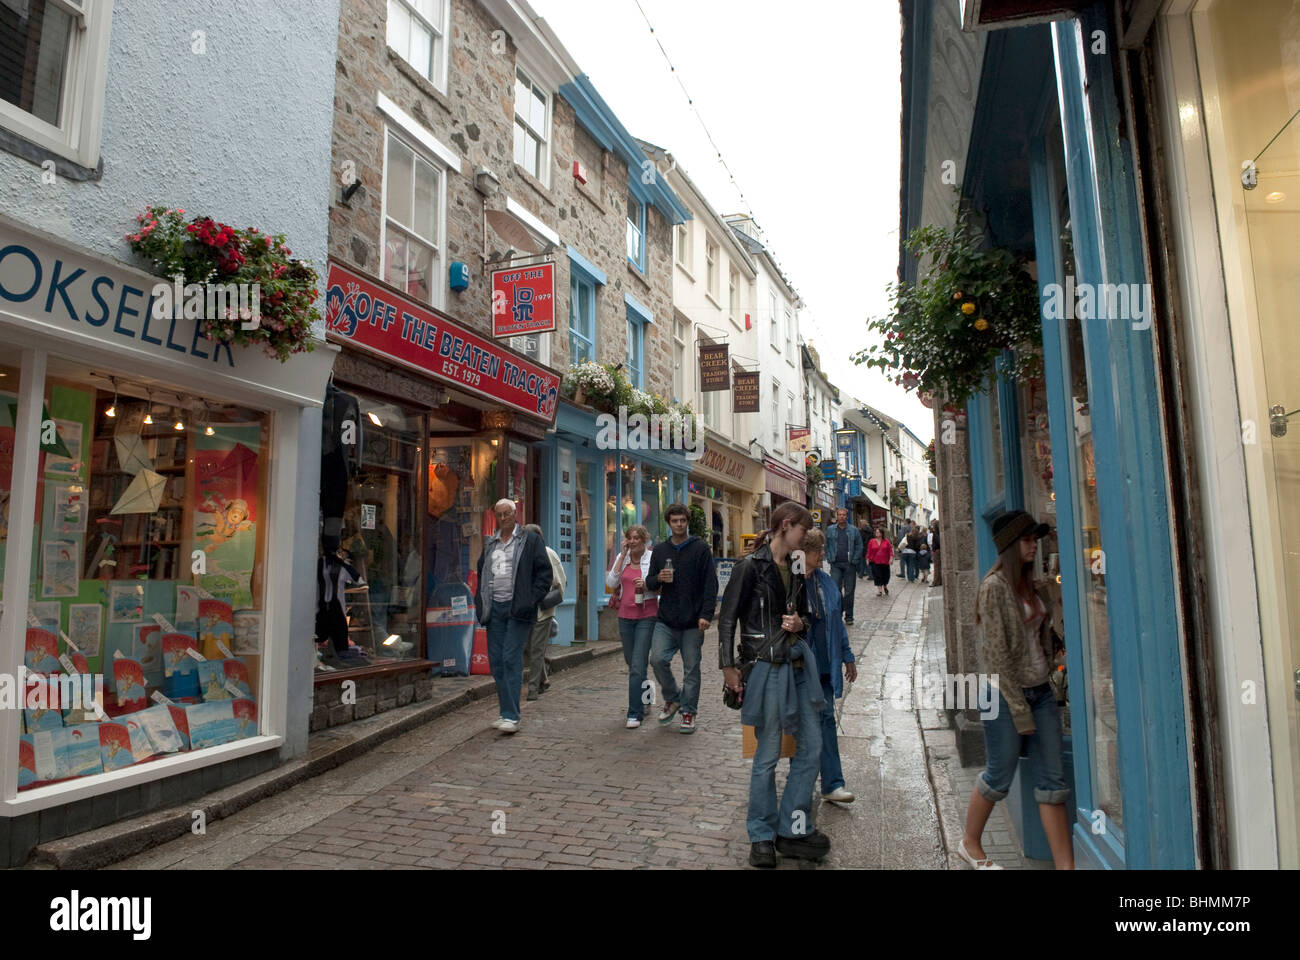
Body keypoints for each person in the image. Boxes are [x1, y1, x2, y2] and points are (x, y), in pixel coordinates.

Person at [960, 510, 1074, 870]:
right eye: (1027, 540)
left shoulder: (1031, 584)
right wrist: (1020, 710)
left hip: (1040, 691)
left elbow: (1037, 637)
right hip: (1004, 694)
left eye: (1036, 539)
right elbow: (998, 659)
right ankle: (970, 842)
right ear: (1009, 546)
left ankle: (1066, 867)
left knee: (1053, 783)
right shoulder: (993, 589)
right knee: (999, 774)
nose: (1034, 545)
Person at [719, 502, 828, 868]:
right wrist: (727, 667)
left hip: (798, 665)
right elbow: (727, 619)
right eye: (802, 530)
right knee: (766, 755)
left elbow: (807, 617)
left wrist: (801, 625)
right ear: (785, 526)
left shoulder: (797, 568)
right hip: (764, 666)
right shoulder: (750, 567)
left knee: (811, 747)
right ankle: (761, 835)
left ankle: (792, 827)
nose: (806, 538)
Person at [474, 500, 553, 734]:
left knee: (510, 657)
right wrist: (481, 602)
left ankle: (512, 716)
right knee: (497, 662)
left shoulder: (530, 540)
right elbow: (482, 571)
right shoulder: (491, 543)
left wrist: (531, 600)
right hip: (494, 608)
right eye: (499, 514)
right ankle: (504, 712)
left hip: (518, 609)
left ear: (515, 513)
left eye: (507, 513)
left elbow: (544, 573)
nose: (503, 518)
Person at [645, 503, 718, 734]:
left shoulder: (700, 549)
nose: (679, 524)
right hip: (666, 619)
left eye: (682, 521)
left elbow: (710, 584)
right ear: (669, 523)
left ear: (687, 522)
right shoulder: (660, 550)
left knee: (691, 669)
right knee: (656, 659)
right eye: (675, 521)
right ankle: (673, 697)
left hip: (693, 620)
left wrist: (706, 615)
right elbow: (649, 583)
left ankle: (688, 712)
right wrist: (659, 578)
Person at [800, 528, 858, 804]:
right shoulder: (790, 583)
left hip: (824, 666)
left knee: (825, 721)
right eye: (818, 550)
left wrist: (847, 656)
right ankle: (799, 783)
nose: (823, 554)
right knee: (798, 727)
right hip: (797, 669)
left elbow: (836, 623)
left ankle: (832, 783)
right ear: (804, 553)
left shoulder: (827, 583)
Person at [606, 524, 657, 728]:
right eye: (630, 538)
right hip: (625, 616)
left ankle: (634, 713)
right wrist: (621, 555)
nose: (634, 541)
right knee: (633, 662)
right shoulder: (624, 557)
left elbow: (658, 585)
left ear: (645, 540)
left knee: (637, 666)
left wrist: (646, 585)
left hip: (647, 614)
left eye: (637, 538)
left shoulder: (652, 559)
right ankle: (647, 696)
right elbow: (611, 581)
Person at [522, 524, 565, 701]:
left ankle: (532, 689)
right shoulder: (521, 555)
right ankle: (543, 679)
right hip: (524, 610)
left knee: (537, 649)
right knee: (526, 648)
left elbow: (560, 581)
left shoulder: (548, 554)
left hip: (542, 610)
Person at [824, 508, 866, 626]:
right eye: (839, 515)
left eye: (843, 515)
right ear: (836, 516)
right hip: (836, 563)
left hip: (849, 565)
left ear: (847, 516)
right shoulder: (830, 530)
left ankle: (849, 616)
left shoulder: (853, 530)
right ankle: (838, 614)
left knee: (849, 592)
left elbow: (859, 545)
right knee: (835, 591)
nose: (841, 517)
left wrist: (855, 560)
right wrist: (829, 557)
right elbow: (826, 545)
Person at [866, 526, 893, 597]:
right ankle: (880, 590)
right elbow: (869, 551)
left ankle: (885, 586)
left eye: (878, 532)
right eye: (876, 532)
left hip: (885, 561)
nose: (877, 533)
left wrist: (891, 558)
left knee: (886, 576)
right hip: (875, 561)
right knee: (877, 575)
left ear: (882, 533)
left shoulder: (886, 541)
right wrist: (867, 559)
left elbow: (890, 551)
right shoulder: (871, 541)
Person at [930, 520, 942, 588]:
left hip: (937, 551)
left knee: (936, 567)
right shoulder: (939, 533)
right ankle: (939, 581)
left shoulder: (935, 533)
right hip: (938, 550)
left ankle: (936, 581)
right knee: (939, 566)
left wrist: (934, 548)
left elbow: (937, 541)